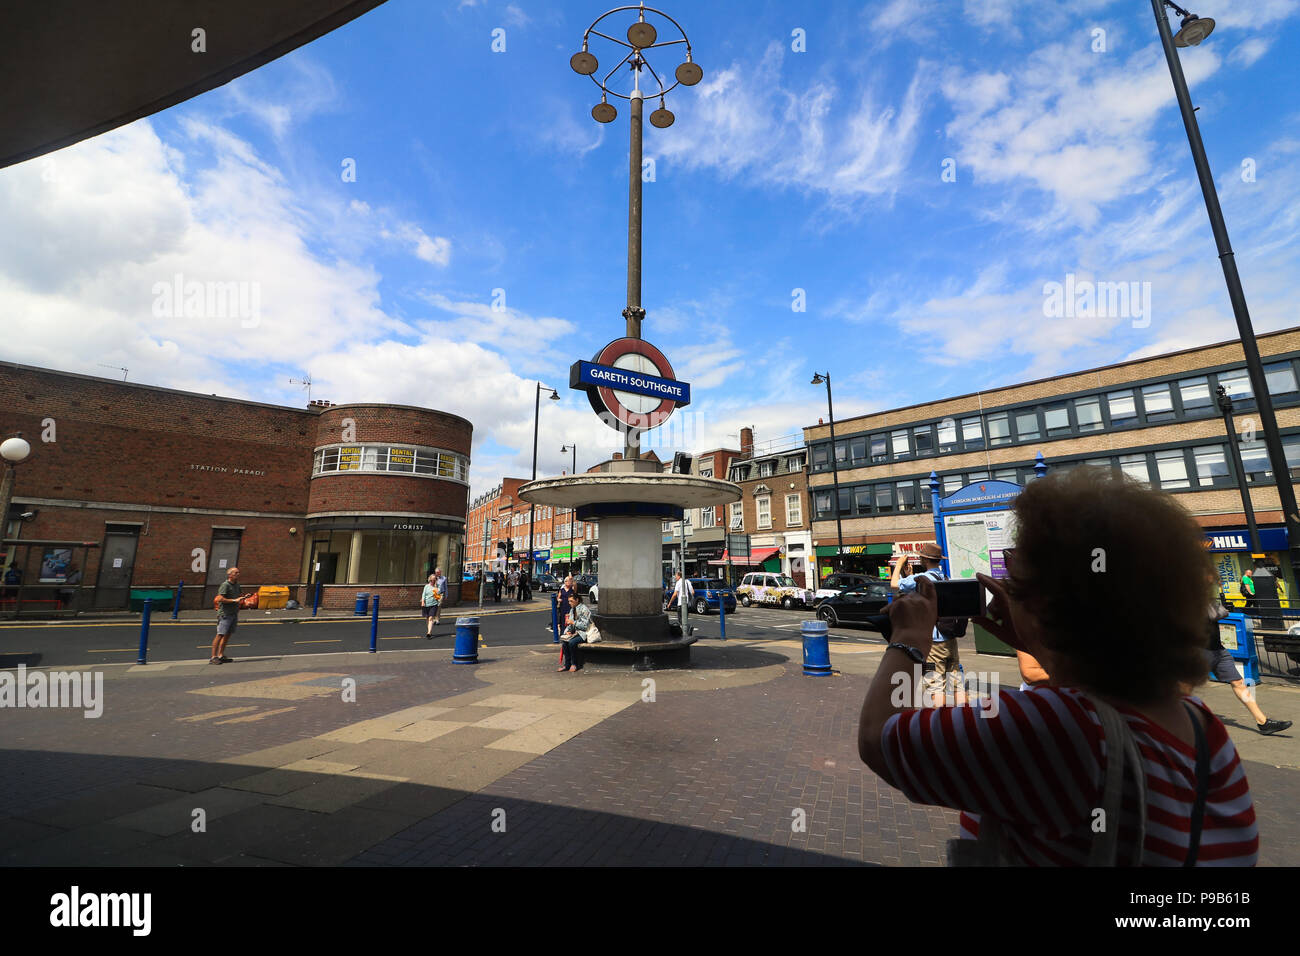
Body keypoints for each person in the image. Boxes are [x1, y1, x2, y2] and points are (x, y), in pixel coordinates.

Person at [858, 466, 1259, 866]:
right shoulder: (1203, 727)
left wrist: (908, 641)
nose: (1007, 581)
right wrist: (1041, 641)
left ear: (1050, 602)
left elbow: (879, 740)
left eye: (1016, 569)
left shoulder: (1057, 724)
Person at [1206, 577, 1291, 735]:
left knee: (1238, 682)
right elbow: (1215, 614)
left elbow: (1219, 612)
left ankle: (1263, 722)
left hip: (1218, 649)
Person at [896, 542, 962, 707]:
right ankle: (961, 719)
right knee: (955, 684)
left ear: (924, 560)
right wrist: (908, 575)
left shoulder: (922, 579)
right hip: (950, 640)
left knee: (934, 686)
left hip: (934, 642)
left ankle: (938, 725)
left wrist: (897, 566)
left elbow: (894, 585)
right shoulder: (945, 578)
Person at [210, 566, 243, 664]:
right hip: (225, 614)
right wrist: (234, 600)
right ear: (230, 575)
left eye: (238, 572)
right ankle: (213, 657)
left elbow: (238, 596)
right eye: (235, 573)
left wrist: (242, 598)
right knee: (220, 634)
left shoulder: (237, 585)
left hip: (233, 613)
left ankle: (221, 655)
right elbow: (220, 598)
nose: (238, 574)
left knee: (227, 635)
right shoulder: (225, 585)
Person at [558, 591, 590, 673]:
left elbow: (585, 626)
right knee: (565, 642)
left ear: (577, 600)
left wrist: (573, 623)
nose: (569, 603)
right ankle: (567, 665)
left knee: (572, 643)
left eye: (571, 601)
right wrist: (567, 631)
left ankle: (574, 664)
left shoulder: (584, 609)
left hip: (583, 633)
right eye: (569, 601)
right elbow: (569, 625)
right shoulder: (572, 610)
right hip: (574, 633)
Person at [422, 573, 442, 639]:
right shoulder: (426, 586)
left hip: (434, 604)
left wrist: (436, 587)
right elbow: (423, 595)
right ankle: (429, 630)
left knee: (431, 618)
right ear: (429, 580)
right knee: (427, 618)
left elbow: (438, 596)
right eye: (431, 580)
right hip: (426, 604)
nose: (432, 581)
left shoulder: (437, 586)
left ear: (435, 580)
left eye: (434, 580)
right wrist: (422, 602)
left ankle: (429, 633)